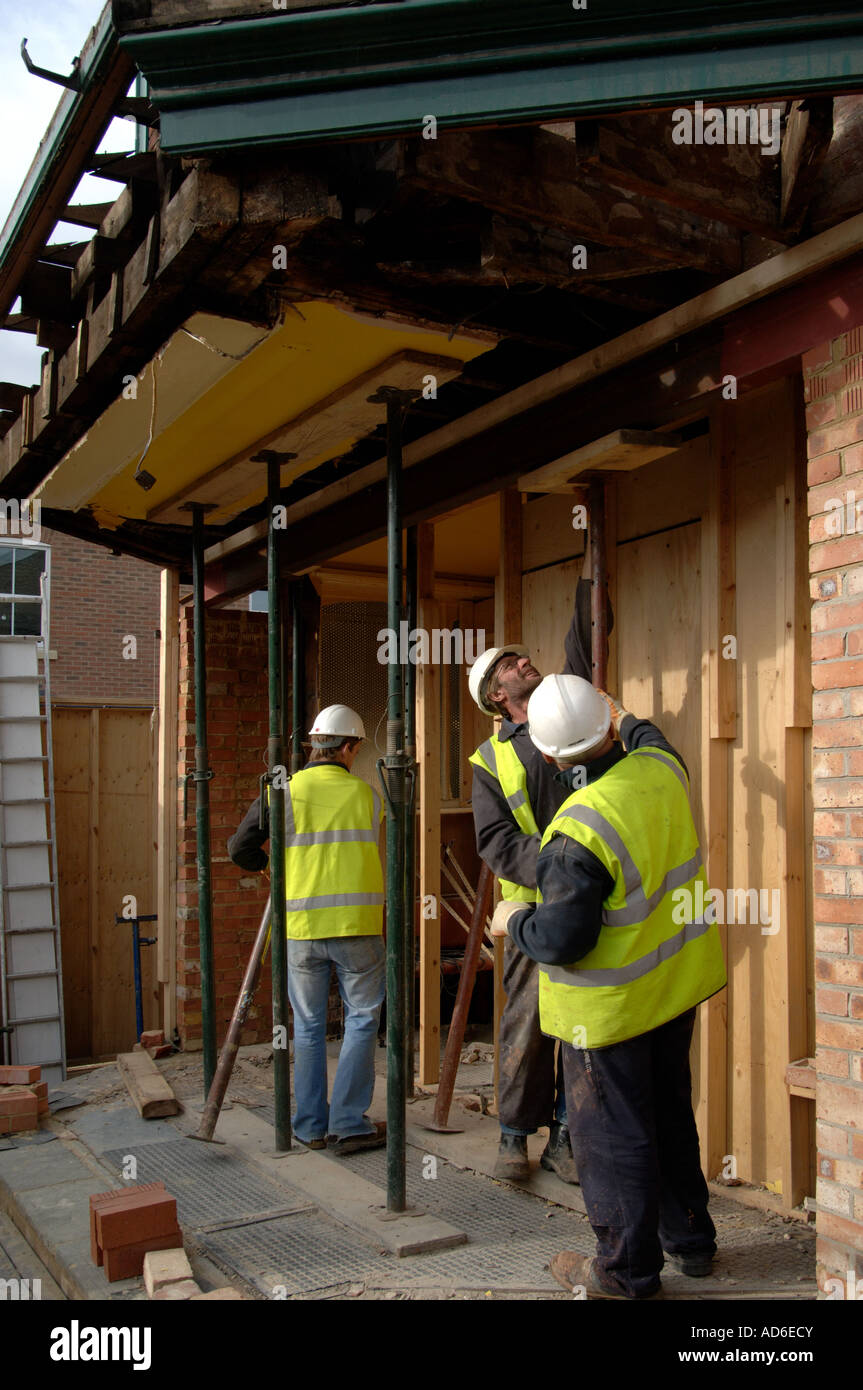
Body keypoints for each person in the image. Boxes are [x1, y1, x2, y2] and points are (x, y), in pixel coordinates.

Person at [490, 674, 727, 1299]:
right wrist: (617, 713)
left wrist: (513, 919)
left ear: (545, 755)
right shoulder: (663, 767)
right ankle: (692, 1241)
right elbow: (647, 732)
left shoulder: (578, 828)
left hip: (611, 1011)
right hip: (673, 990)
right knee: (671, 1114)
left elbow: (562, 939)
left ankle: (625, 1275)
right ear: (608, 722)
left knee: (614, 1137)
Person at [467, 572, 607, 1185]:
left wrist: (589, 570)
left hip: (587, 897)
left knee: (582, 1025)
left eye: (522, 657)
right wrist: (553, 871)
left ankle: (567, 1140)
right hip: (531, 909)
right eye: (511, 665)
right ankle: (513, 1137)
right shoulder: (490, 759)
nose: (526, 661)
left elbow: (585, 639)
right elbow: (495, 841)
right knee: (525, 1021)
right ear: (498, 695)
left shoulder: (567, 708)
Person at [227, 704, 386, 1155]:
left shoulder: (284, 792)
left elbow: (240, 848)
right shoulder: (370, 796)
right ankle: (349, 1124)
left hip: (301, 929)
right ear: (349, 748)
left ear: (314, 745)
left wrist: (270, 869)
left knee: (309, 1027)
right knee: (360, 1021)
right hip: (358, 927)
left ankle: (310, 1126)